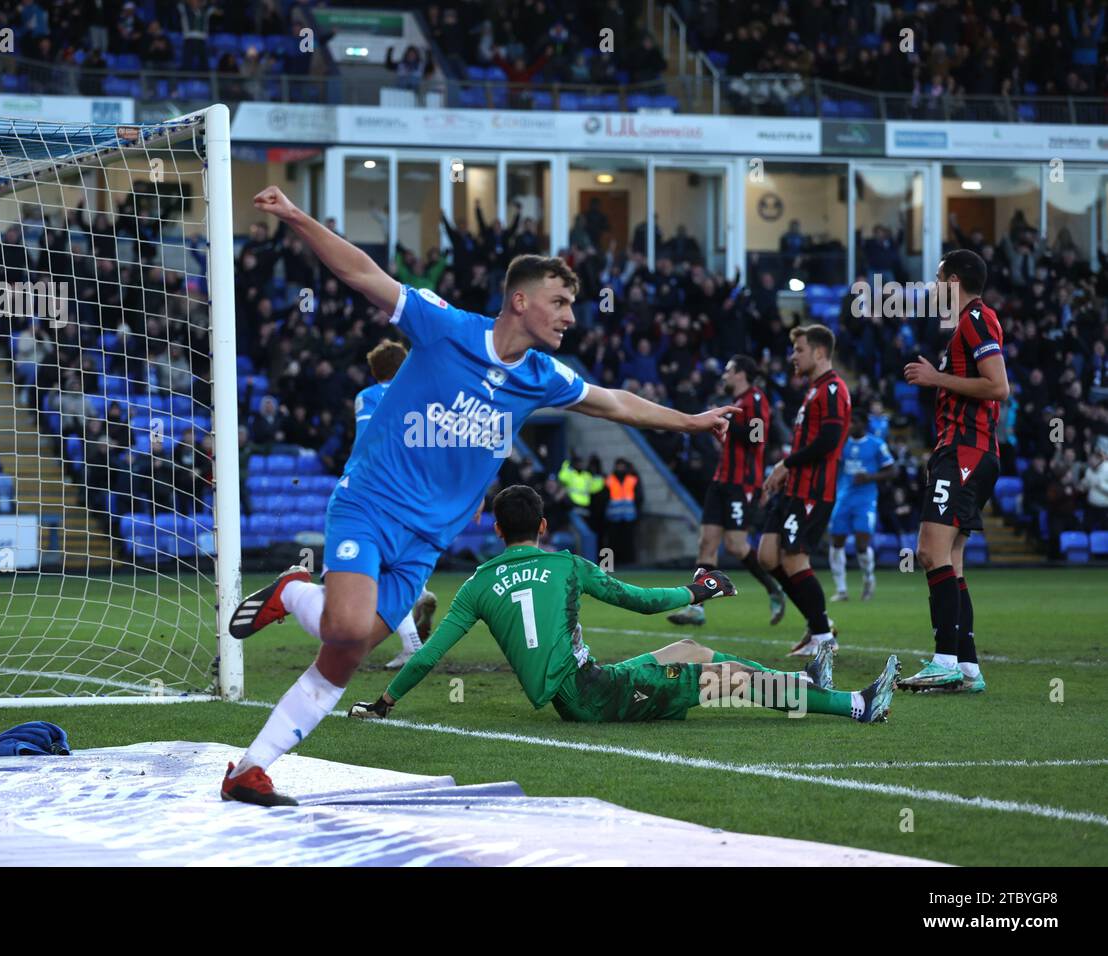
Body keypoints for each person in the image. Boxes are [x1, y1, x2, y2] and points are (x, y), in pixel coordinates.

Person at [220, 185, 738, 806]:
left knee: (349, 650)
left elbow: (616, 403)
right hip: (371, 504)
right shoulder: (444, 327)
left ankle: (250, 768)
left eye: (573, 303)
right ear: (520, 301)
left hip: (427, 539)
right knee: (348, 623)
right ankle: (291, 590)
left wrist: (690, 420)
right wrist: (296, 217)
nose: (572, 315)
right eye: (560, 302)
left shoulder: (543, 377)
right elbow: (362, 272)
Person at [348, 485, 899, 726]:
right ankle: (853, 704)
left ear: (495, 530)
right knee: (728, 677)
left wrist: (383, 701)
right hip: (595, 697)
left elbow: (428, 654)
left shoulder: (476, 584)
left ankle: (813, 687)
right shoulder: (568, 564)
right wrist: (696, 591)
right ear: (543, 527)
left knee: (691, 648)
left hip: (588, 688)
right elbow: (639, 601)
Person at [899, 249, 1007, 694]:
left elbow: (998, 385)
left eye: (938, 277)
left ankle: (943, 659)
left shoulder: (976, 319)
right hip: (967, 450)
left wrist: (935, 378)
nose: (933, 286)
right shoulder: (969, 322)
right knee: (952, 559)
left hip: (966, 450)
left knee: (929, 551)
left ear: (955, 279)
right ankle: (966, 667)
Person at [669, 354, 786, 628]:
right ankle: (696, 608)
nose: (724, 375)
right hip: (722, 480)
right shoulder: (736, 404)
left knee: (735, 545)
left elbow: (757, 438)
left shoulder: (755, 399)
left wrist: (726, 423)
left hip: (741, 483)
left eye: (729, 370)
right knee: (706, 543)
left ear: (742, 373)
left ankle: (774, 589)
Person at [757, 324, 851, 657]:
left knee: (796, 560)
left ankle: (822, 636)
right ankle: (818, 622)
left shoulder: (833, 390)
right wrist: (786, 471)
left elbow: (827, 442)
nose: (792, 356)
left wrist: (786, 464)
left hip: (814, 491)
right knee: (767, 556)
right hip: (794, 488)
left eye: (799, 350)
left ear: (819, 352)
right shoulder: (813, 390)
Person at [352, 339, 437, 670]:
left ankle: (411, 641)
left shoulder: (368, 396)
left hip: (380, 489)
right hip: (419, 492)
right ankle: (420, 594)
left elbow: (367, 441)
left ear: (375, 372)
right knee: (401, 562)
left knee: (382, 573)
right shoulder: (424, 399)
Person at [828, 409, 897, 602]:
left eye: (853, 423)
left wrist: (870, 477)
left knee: (861, 545)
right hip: (843, 498)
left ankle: (868, 579)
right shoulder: (841, 444)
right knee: (836, 542)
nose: (849, 426)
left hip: (866, 500)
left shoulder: (876, 445)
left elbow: (892, 471)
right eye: (848, 423)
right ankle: (841, 590)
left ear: (862, 424)